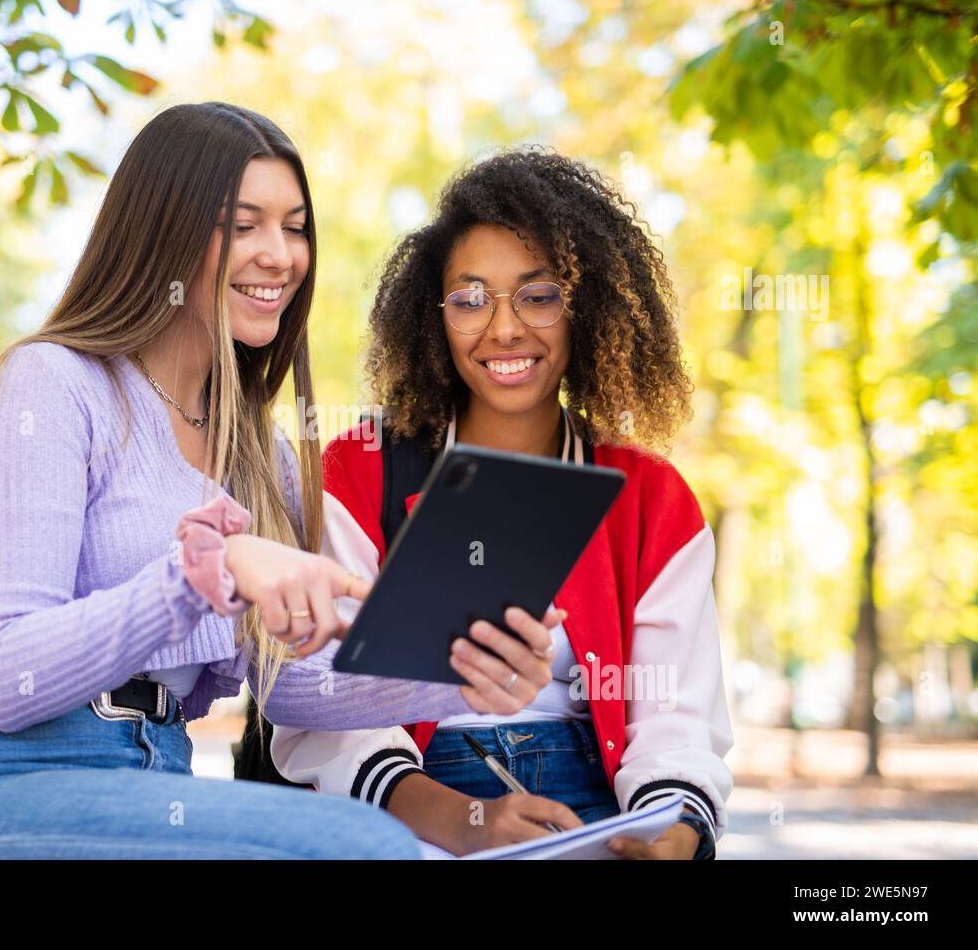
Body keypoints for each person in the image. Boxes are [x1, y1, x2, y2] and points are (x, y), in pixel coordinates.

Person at [0, 104, 563, 860]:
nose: (281, 255)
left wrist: (458, 674)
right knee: (358, 846)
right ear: (160, 228)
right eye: (245, 224)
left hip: (149, 776)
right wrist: (202, 575)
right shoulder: (53, 384)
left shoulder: (261, 455)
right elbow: (8, 676)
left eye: (296, 227)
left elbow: (292, 688)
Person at [271, 149, 734, 859]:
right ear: (434, 317)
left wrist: (672, 831)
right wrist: (461, 821)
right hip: (411, 801)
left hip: (600, 804)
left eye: (538, 294)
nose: (505, 327)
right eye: (469, 298)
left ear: (589, 307)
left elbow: (674, 710)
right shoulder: (357, 470)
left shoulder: (651, 497)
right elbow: (323, 703)